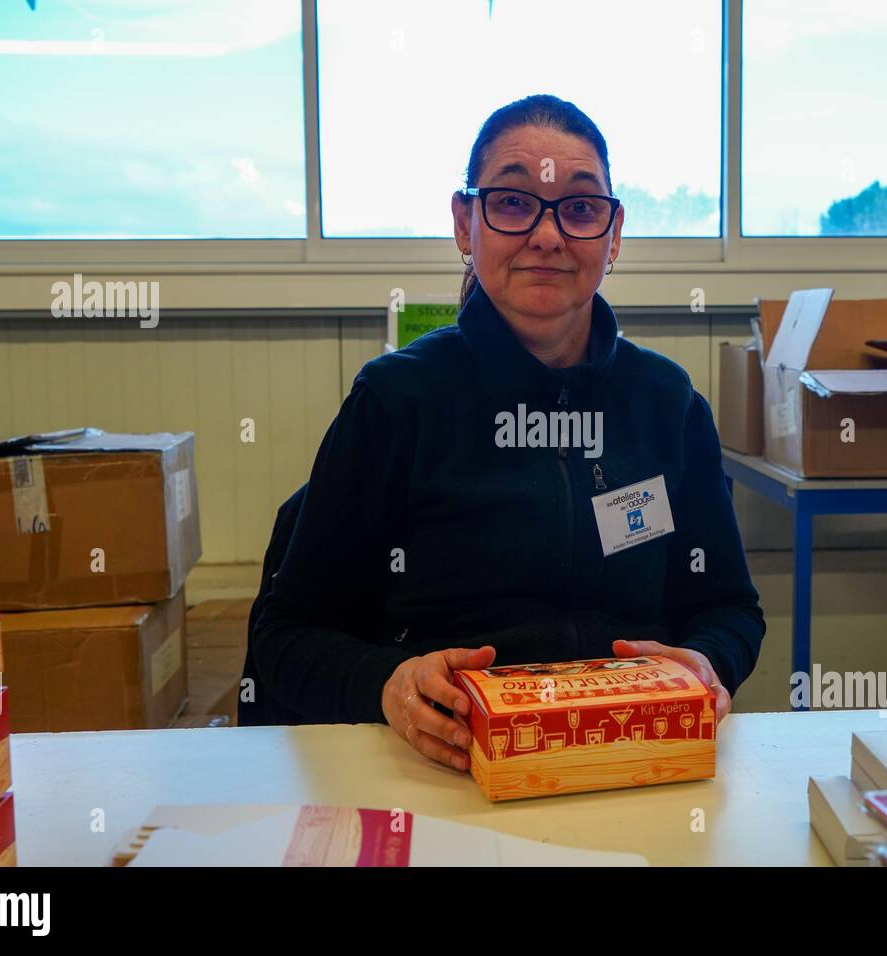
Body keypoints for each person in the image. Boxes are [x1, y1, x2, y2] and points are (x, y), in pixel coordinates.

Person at [246, 94, 765, 773]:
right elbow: (285, 635)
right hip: (448, 769)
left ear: (613, 236)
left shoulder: (666, 404)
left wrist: (708, 660)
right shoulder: (398, 400)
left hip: (633, 760)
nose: (547, 235)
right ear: (466, 223)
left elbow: (728, 606)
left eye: (579, 209)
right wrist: (389, 684)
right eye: (514, 202)